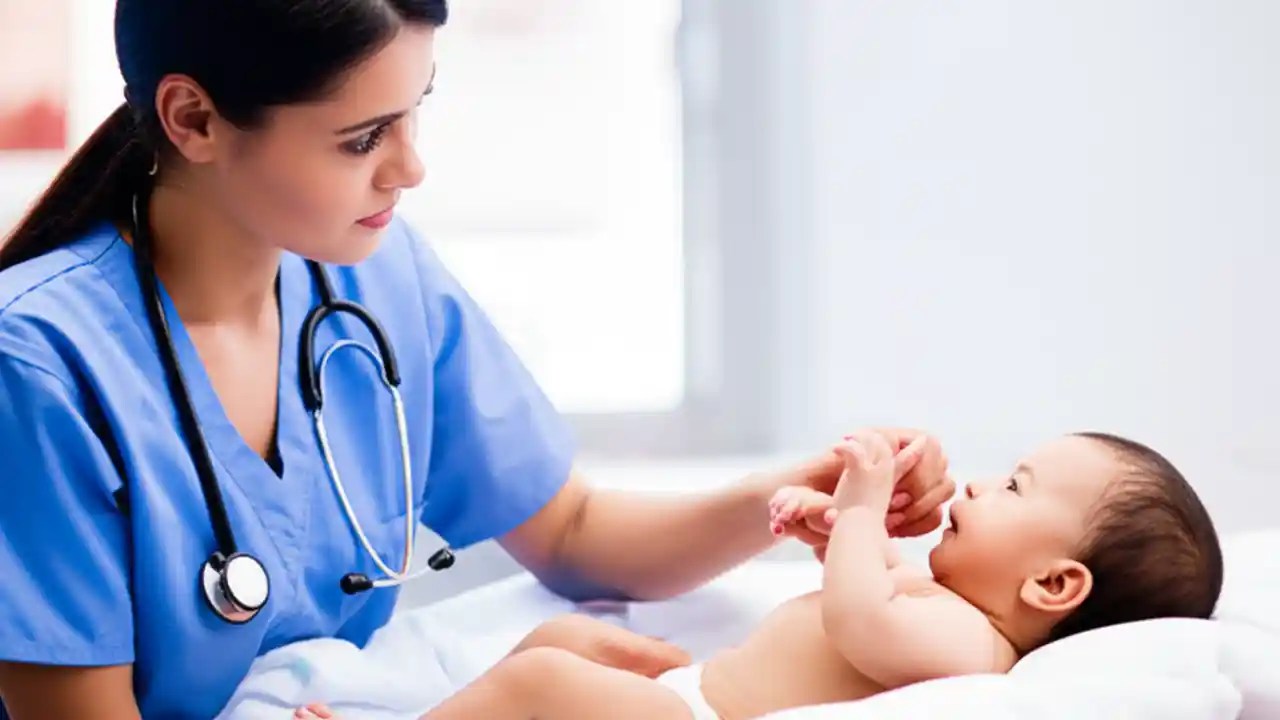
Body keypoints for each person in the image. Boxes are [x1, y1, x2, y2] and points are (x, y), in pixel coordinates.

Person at [0, 3, 958, 719]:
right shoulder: (39, 364)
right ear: (194, 119)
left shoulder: (375, 278)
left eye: (415, 113)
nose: (410, 169)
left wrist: (793, 494)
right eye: (363, 138)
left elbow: (576, 530)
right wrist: (492, 705)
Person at [292, 429, 1222, 719]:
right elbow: (865, 595)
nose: (982, 483)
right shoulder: (945, 610)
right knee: (566, 644)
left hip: (705, 718)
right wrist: (838, 534)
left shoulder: (979, 648)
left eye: (1015, 486)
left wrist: (859, 509)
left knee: (545, 681)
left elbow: (860, 623)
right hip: (694, 693)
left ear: (1054, 586)